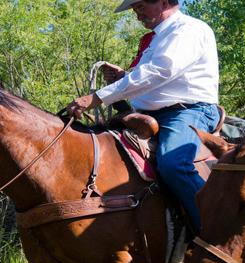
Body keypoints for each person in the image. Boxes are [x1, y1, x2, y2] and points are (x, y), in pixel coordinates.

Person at [65, 0, 221, 230]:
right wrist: (123, 77)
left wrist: (98, 97)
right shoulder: (157, 38)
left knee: (173, 164)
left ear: (164, 2)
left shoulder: (189, 29)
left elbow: (160, 71)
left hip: (187, 111)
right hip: (148, 114)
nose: (137, 15)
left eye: (140, 7)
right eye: (135, 9)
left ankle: (216, 231)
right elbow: (147, 76)